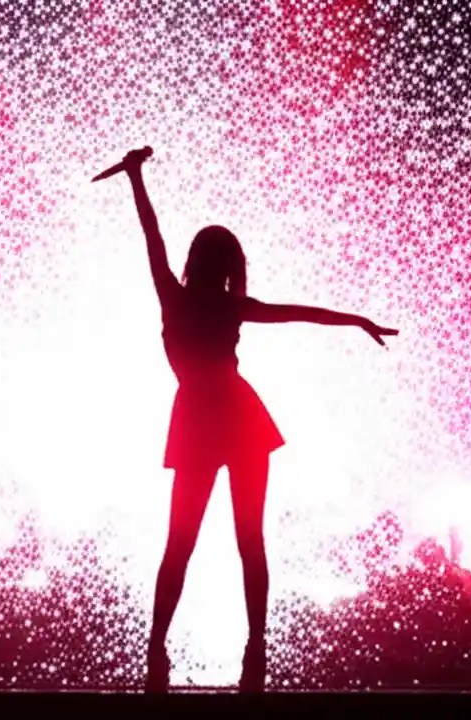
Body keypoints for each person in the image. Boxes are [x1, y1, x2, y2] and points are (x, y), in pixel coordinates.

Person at [116, 147, 398, 693]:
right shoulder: (228, 306)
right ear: (229, 268)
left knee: (182, 542)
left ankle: (160, 650)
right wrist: (357, 321)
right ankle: (253, 650)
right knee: (248, 540)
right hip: (236, 419)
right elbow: (303, 313)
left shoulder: (173, 296)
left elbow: (152, 236)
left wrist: (135, 177)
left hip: (202, 421)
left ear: (195, 260)